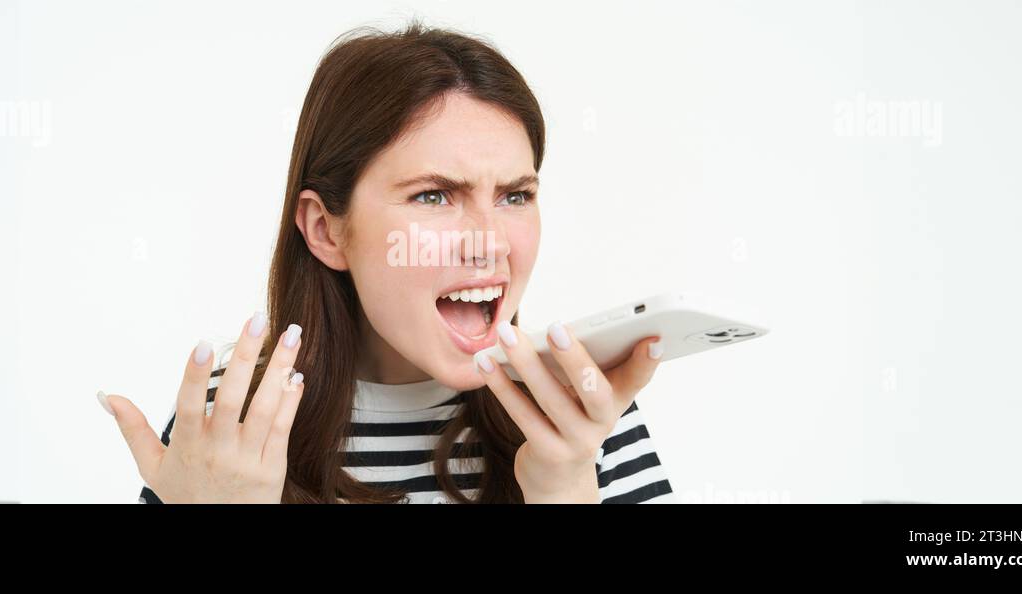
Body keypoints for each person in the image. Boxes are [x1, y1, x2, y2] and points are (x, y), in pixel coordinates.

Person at [98, 23, 673, 503]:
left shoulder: (580, 416)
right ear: (326, 230)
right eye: (434, 196)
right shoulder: (229, 425)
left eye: (515, 196)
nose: (488, 244)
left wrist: (565, 489)